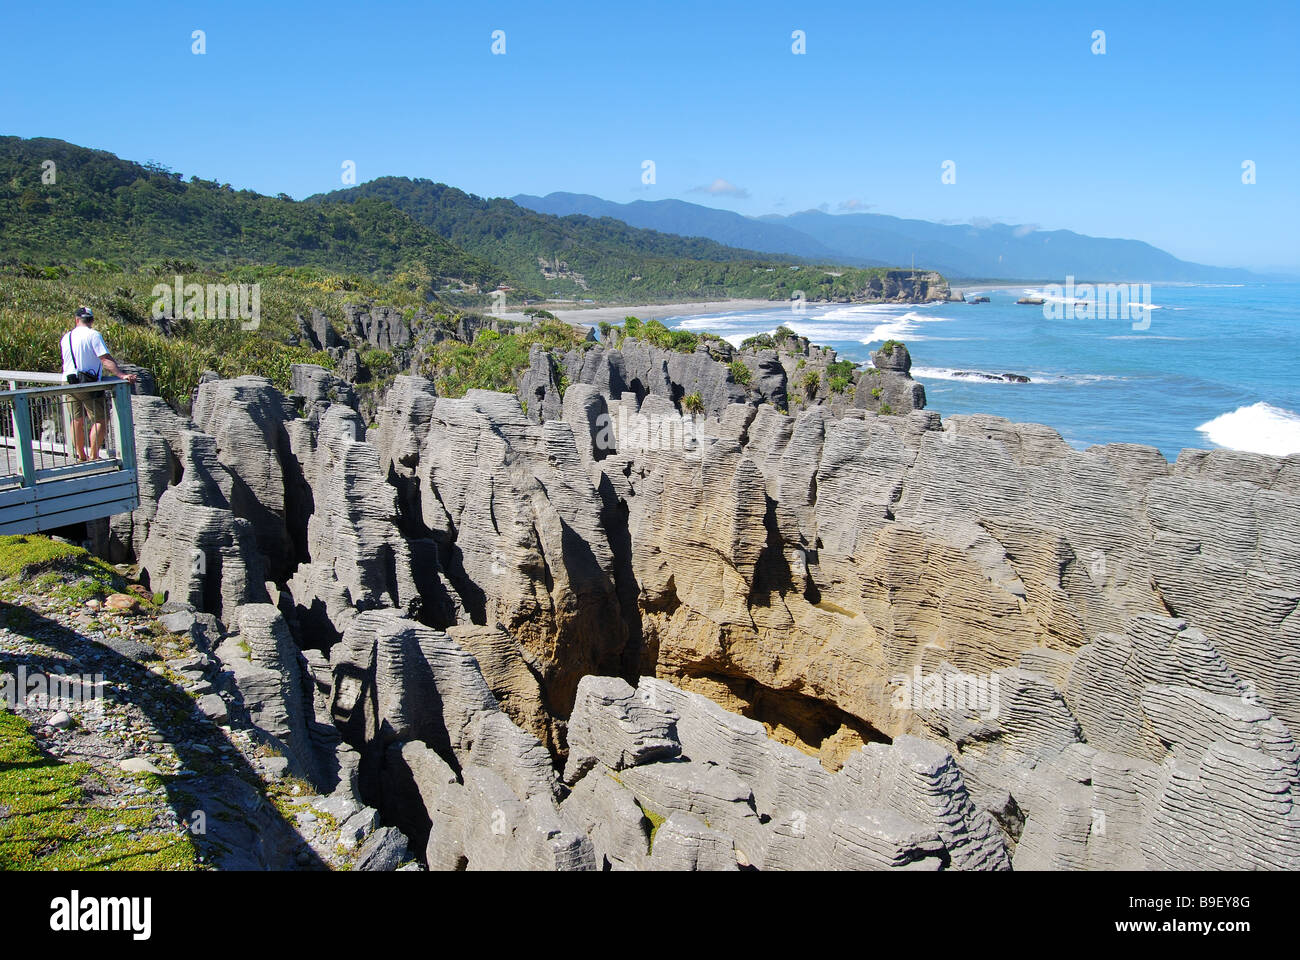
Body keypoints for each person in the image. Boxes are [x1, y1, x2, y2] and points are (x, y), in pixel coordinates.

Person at [59, 306, 138, 462]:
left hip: (67, 382)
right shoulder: (94, 335)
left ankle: (80, 455)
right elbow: (105, 359)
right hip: (88, 384)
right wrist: (121, 375)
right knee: (99, 419)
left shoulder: (66, 337)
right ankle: (93, 456)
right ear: (92, 320)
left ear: (76, 320)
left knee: (76, 419)